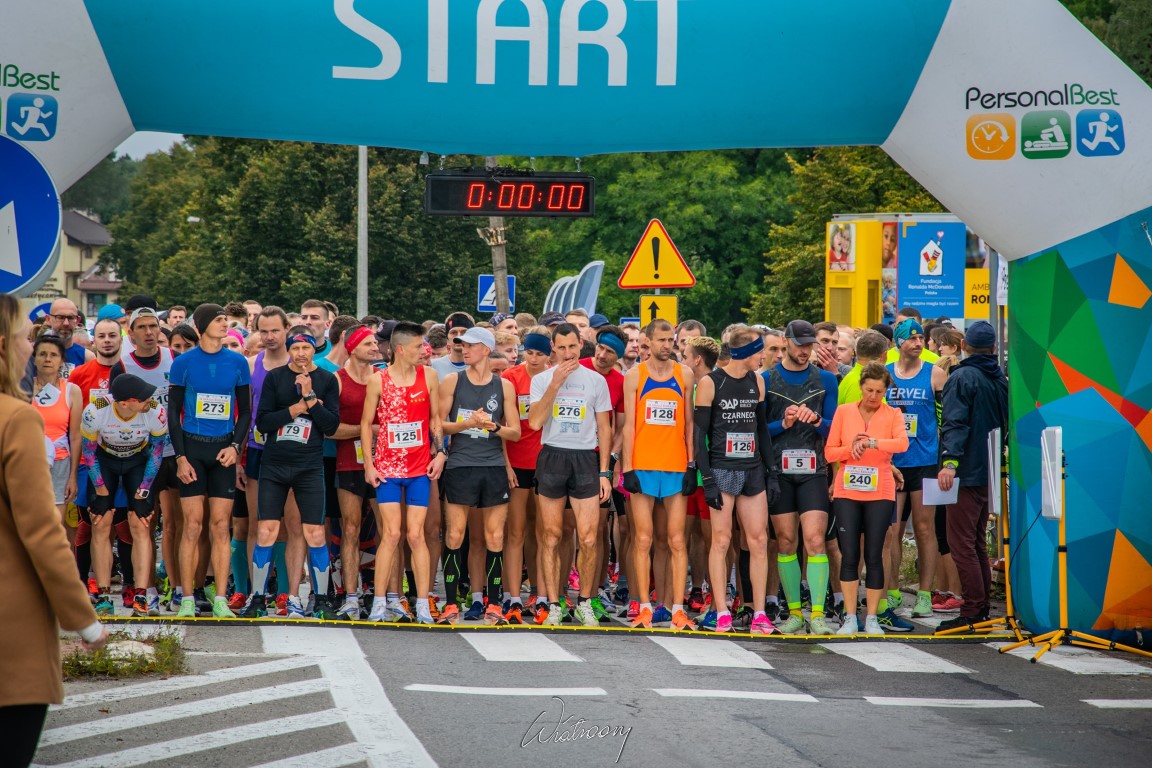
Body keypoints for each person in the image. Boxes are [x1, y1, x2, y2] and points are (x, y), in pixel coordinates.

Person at [0, 293, 108, 768]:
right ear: (3, 346)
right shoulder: (16, 418)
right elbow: (41, 531)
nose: (32, 346)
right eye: (26, 336)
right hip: (10, 623)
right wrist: (81, 617)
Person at [243, 328, 341, 619]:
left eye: (306, 348)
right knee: (266, 531)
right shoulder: (275, 378)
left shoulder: (326, 380)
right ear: (289, 351)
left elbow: (330, 426)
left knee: (314, 532)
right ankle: (258, 598)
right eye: (295, 348)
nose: (301, 353)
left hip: (309, 466)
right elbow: (263, 422)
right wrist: (298, 408)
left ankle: (321, 599)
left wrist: (310, 396)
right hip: (274, 464)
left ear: (314, 351)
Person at [168, 304, 252, 618]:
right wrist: (180, 458)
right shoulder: (184, 363)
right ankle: (187, 597)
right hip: (192, 449)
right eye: (218, 320)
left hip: (223, 451)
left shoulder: (238, 362)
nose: (225, 324)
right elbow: (173, 416)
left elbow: (245, 412)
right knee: (192, 525)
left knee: (220, 527)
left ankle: (219, 598)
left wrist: (235, 447)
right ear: (203, 327)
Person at [693, 325, 778, 634]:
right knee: (721, 539)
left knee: (758, 540)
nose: (764, 357)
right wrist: (707, 478)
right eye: (761, 351)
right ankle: (721, 610)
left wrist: (772, 474)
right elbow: (699, 435)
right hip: (722, 468)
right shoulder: (710, 382)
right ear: (746, 353)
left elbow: (762, 431)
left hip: (753, 469)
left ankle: (758, 614)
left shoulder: (758, 382)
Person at [360, 322, 446, 624]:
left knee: (416, 534)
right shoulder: (378, 380)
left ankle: (422, 603)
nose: (425, 351)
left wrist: (441, 453)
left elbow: (436, 419)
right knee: (392, 533)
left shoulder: (430, 376)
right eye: (418, 347)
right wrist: (369, 466)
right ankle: (380, 603)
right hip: (387, 469)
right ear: (400, 349)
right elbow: (365, 424)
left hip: (420, 468)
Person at [528, 323, 613, 626]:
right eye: (561, 347)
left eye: (572, 347)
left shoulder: (595, 381)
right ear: (553, 347)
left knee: (588, 538)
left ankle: (585, 602)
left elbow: (605, 428)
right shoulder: (540, 380)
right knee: (550, 537)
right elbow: (535, 422)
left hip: (585, 459)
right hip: (552, 455)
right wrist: (555, 384)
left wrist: (604, 472)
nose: (567, 353)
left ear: (581, 345)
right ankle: (553, 603)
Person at [438, 326, 521, 625]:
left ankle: (495, 604)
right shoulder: (452, 380)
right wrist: (466, 424)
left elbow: (515, 432)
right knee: (455, 534)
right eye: (461, 346)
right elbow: (438, 424)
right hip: (461, 465)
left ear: (486, 349)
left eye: (470, 346)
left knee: (494, 536)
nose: (464, 350)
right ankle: (450, 604)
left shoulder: (504, 386)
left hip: (493, 466)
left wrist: (492, 427)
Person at [765, 320, 839, 635]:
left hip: (814, 471)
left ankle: (819, 614)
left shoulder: (826, 379)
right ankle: (795, 612)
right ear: (786, 341)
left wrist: (818, 421)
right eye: (800, 344)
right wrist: (781, 424)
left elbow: (835, 428)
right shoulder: (766, 380)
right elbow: (758, 432)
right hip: (779, 473)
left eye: (810, 345)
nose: (805, 351)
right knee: (785, 541)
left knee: (815, 540)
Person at [621, 319, 696, 630]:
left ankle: (677, 608)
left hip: (676, 466)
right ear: (647, 343)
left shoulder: (685, 374)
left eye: (671, 339)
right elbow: (627, 425)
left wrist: (692, 465)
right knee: (643, 538)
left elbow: (689, 423)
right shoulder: (635, 375)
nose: (668, 345)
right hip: (643, 465)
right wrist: (627, 468)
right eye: (662, 339)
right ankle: (646, 607)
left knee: (677, 540)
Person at [825, 363, 909, 635]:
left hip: (880, 490)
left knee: (874, 553)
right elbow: (829, 453)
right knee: (849, 554)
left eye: (880, 391)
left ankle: (872, 617)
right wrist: (851, 447)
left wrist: (872, 443)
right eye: (869, 390)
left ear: (886, 391)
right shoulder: (844, 412)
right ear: (861, 387)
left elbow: (901, 444)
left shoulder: (893, 413)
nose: (874, 396)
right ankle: (850, 616)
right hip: (847, 490)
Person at [936, 321, 1008, 633]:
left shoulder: (962, 377)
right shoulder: (1000, 379)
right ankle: (980, 606)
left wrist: (949, 463)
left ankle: (973, 610)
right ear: (993, 348)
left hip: (965, 471)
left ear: (964, 345)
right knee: (977, 541)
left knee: (960, 542)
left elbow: (954, 422)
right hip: (989, 470)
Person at [80, 374, 169, 618]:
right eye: (142, 398)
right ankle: (104, 595)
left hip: (137, 461)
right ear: (125, 403)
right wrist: (100, 488)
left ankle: (141, 595)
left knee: (140, 523)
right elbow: (88, 453)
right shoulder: (96, 410)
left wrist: (144, 489)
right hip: (105, 460)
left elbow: (157, 453)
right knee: (100, 523)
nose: (149, 401)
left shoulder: (155, 411)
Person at [886, 318, 948, 625]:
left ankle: (925, 593)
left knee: (925, 529)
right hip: (893, 463)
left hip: (924, 461)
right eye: (911, 338)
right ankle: (892, 590)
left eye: (920, 337)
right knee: (892, 530)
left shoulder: (935, 373)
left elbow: (947, 420)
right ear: (898, 343)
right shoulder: (886, 375)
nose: (918, 342)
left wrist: (946, 460)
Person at [502, 328, 551, 623]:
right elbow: (503, 425)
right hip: (518, 460)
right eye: (529, 352)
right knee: (516, 531)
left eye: (539, 354)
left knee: (544, 532)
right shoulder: (511, 378)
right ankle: (514, 597)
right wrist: (506, 464)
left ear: (549, 355)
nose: (532, 358)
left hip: (547, 462)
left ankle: (541, 593)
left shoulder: (554, 378)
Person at [30, 333, 83, 534]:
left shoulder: (72, 391)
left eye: (53, 355)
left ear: (62, 360)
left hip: (60, 463)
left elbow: (75, 436)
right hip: (28, 463)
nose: (47, 359)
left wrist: (73, 476)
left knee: (53, 528)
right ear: (34, 358)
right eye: (42, 354)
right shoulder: (23, 389)